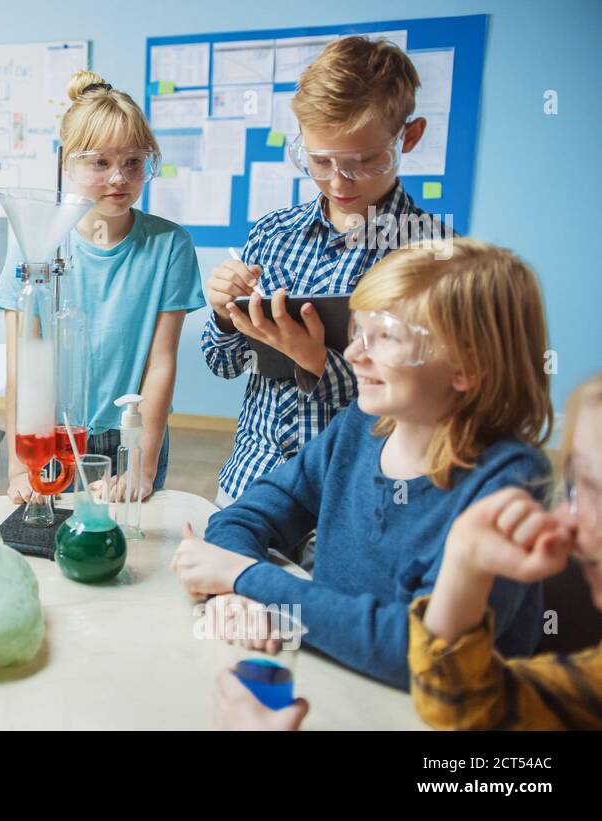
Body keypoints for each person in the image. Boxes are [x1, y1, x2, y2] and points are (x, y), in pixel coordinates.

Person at [174, 239, 552, 691]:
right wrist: (237, 595)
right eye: (358, 332)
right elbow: (249, 513)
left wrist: (248, 578)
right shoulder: (362, 425)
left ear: (467, 366)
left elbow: (416, 653)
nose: (353, 355)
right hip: (336, 682)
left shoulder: (509, 482)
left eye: (387, 337)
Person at [202, 36, 451, 511]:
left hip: (348, 498)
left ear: (410, 137)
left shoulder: (431, 255)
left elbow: (428, 399)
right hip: (249, 480)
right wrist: (222, 316)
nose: (339, 181)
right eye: (319, 162)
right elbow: (223, 364)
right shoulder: (272, 233)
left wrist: (318, 362)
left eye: (365, 161)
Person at [0, 69, 205, 505]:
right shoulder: (37, 242)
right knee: (46, 544)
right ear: (67, 162)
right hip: (49, 432)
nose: (118, 178)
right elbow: (21, 366)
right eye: (100, 162)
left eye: (133, 162)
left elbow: (160, 365)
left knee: (124, 548)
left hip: (131, 435)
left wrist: (141, 470)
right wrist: (18, 467)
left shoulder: (169, 245)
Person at [409, 373, 602, 730]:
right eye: (572, 486)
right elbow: (462, 706)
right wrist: (464, 562)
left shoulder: (512, 467)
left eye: (591, 488)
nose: (564, 518)